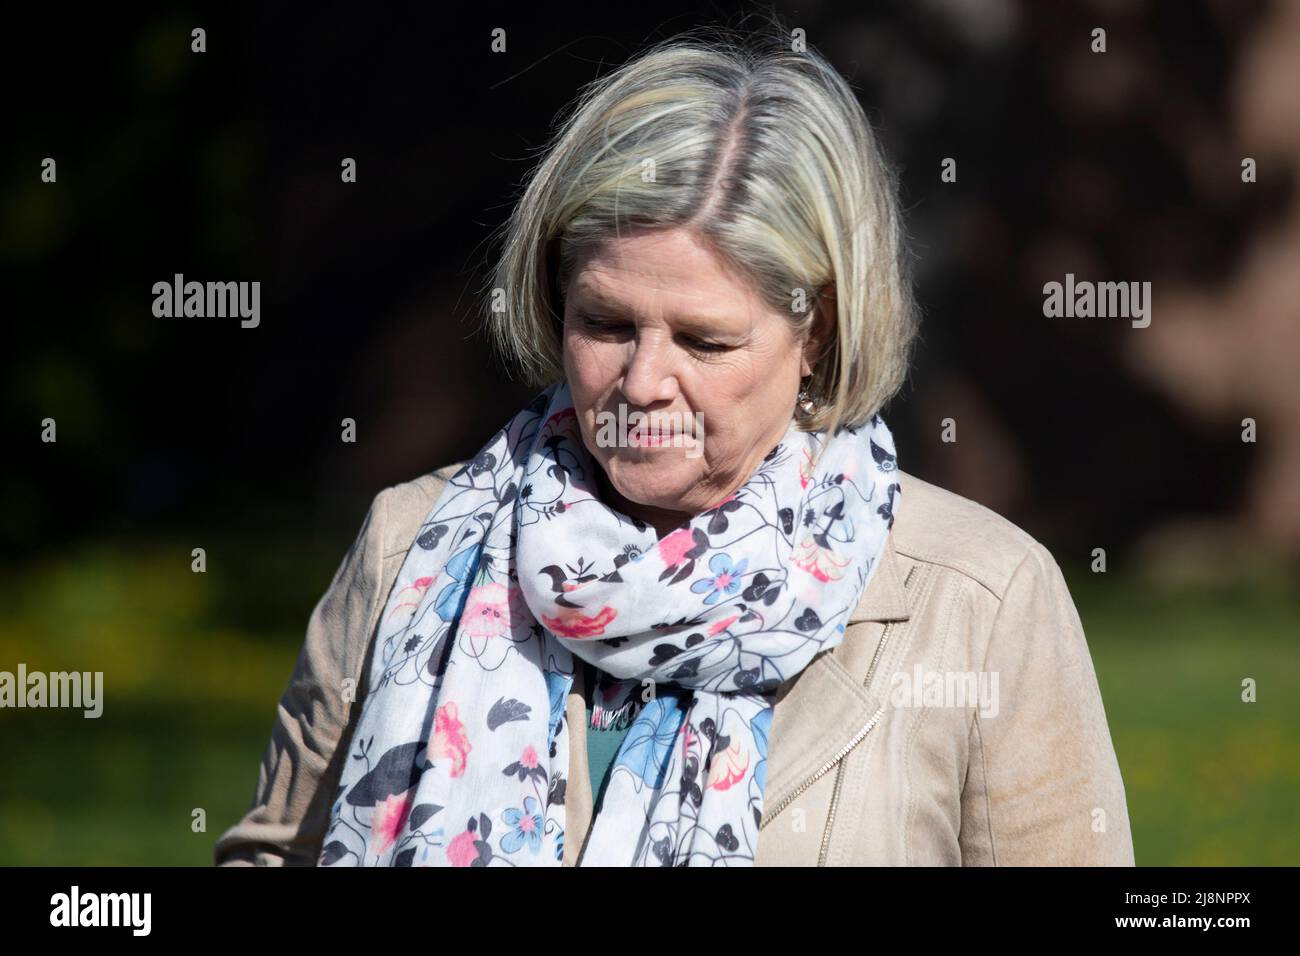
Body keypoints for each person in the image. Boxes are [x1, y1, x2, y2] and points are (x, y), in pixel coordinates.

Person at [215, 28, 1134, 867]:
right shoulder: (410, 545)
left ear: (817, 333)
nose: (644, 380)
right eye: (606, 322)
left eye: (704, 341)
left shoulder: (975, 599)